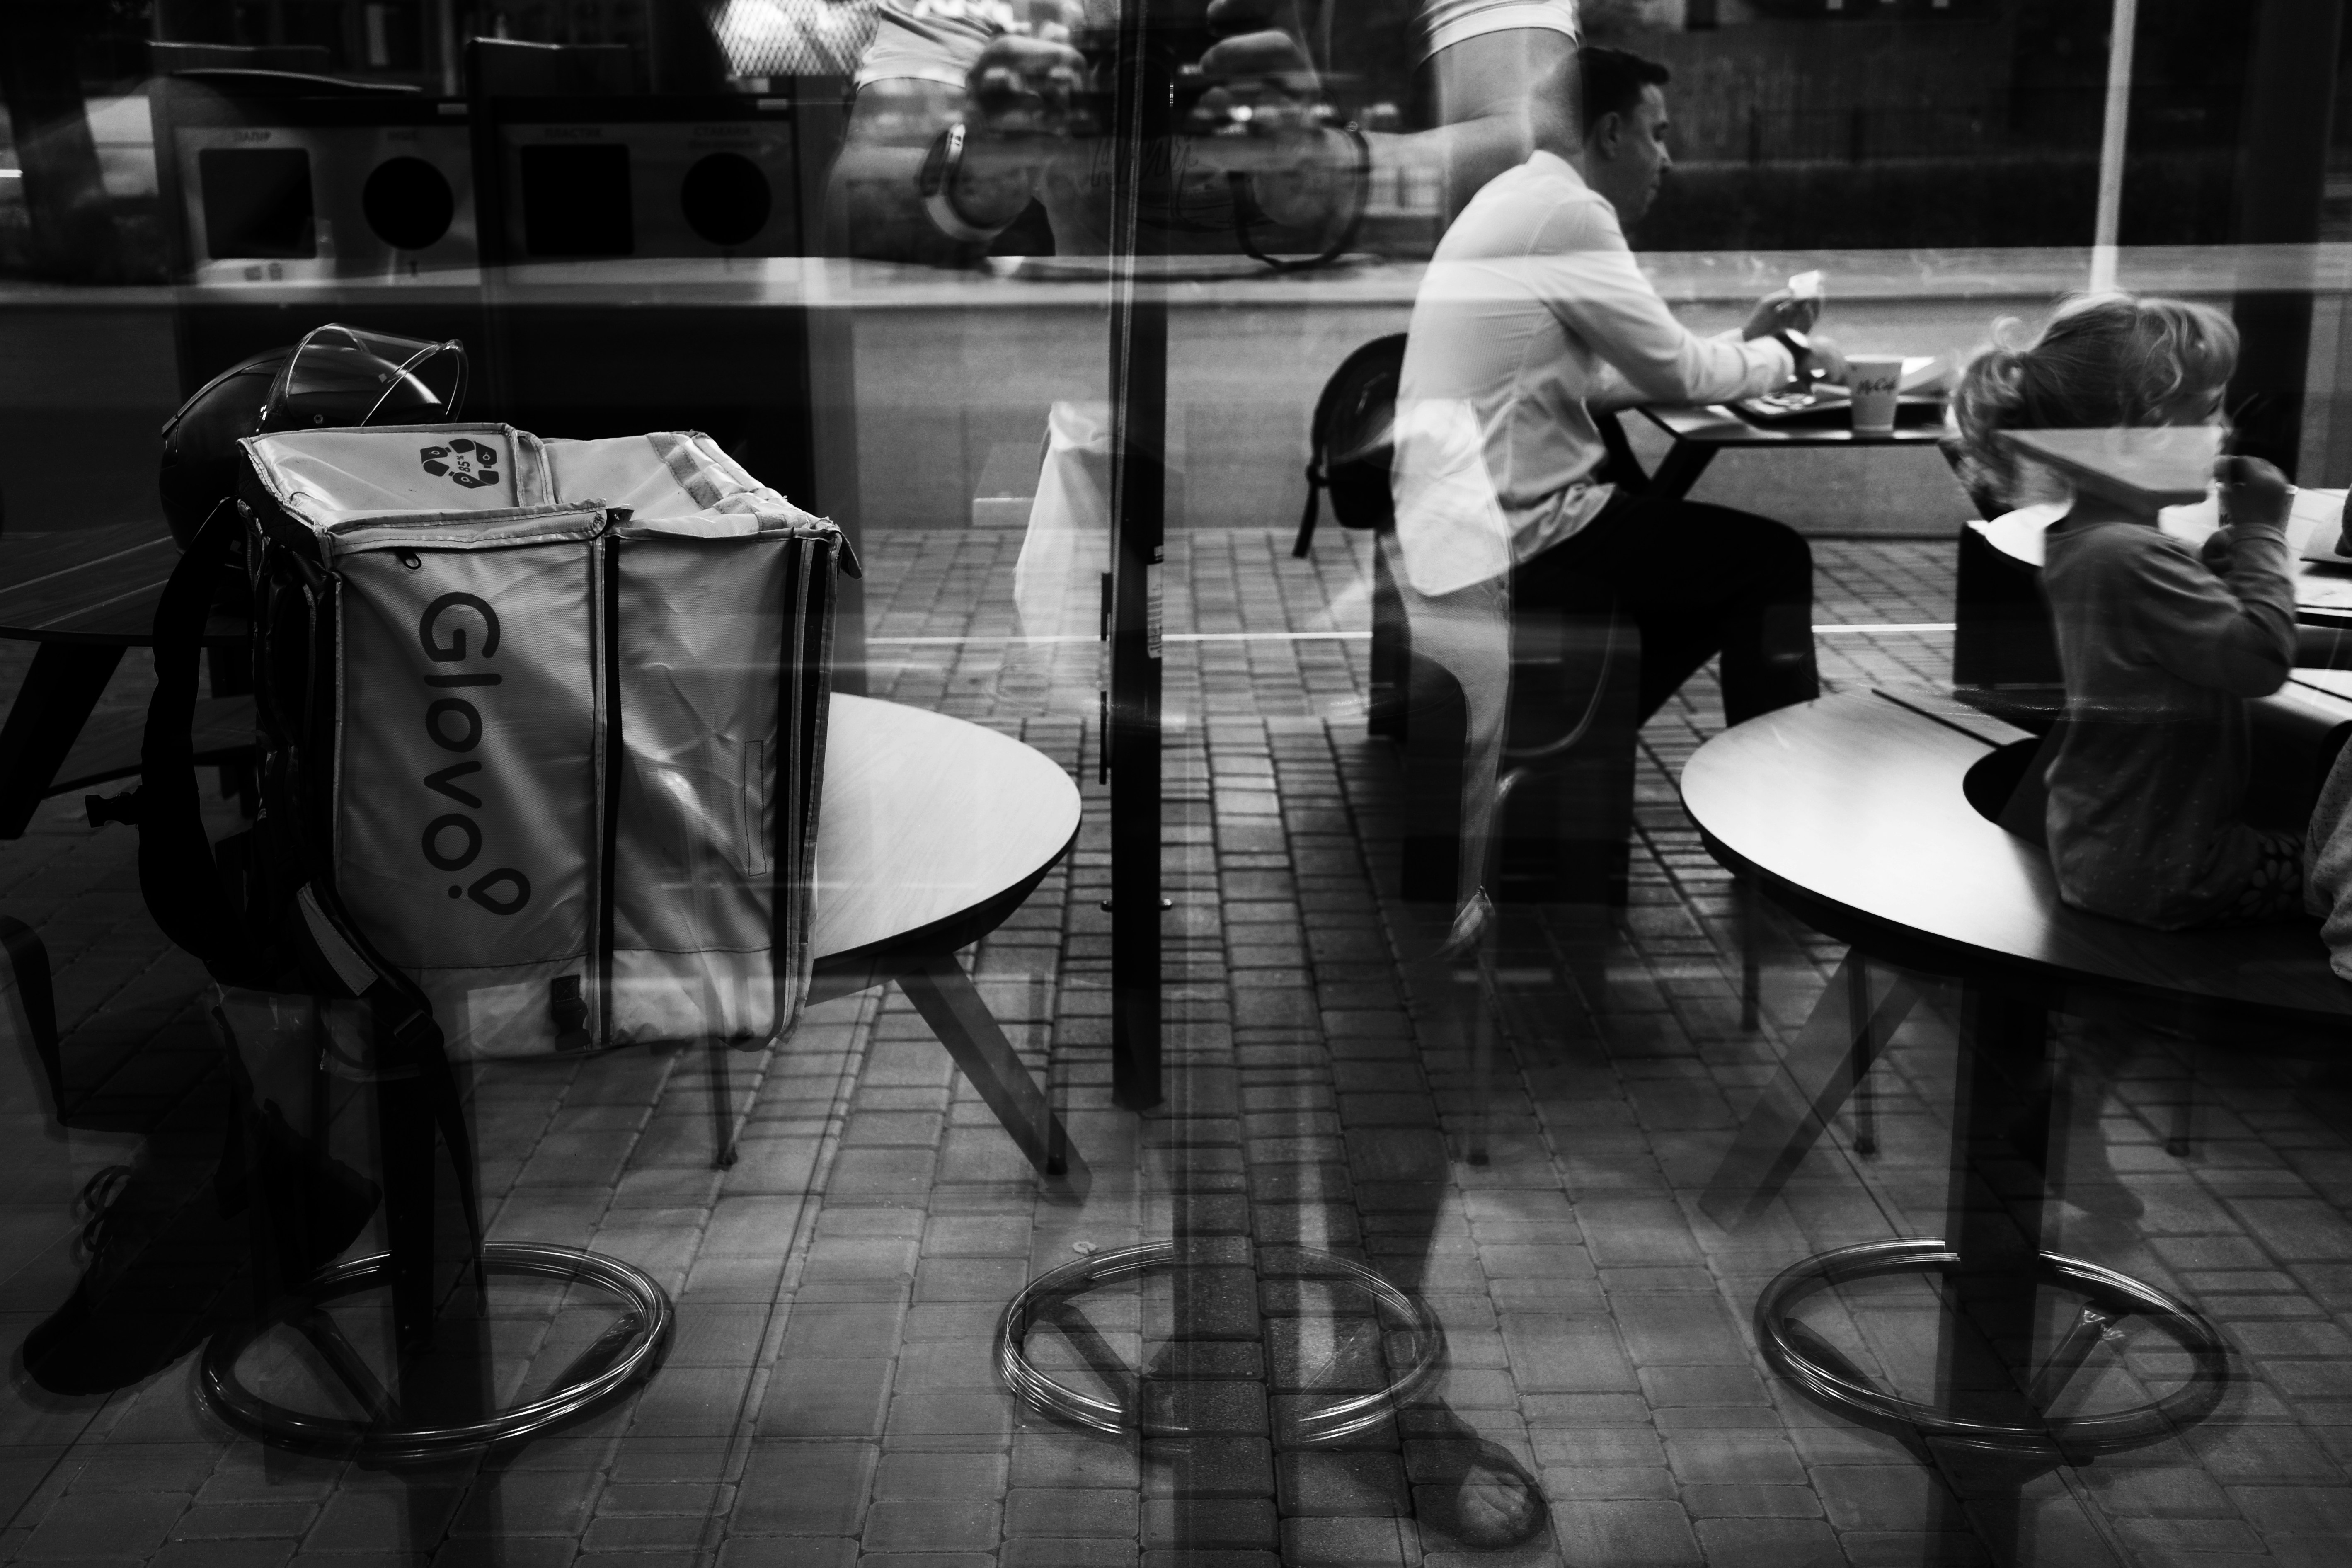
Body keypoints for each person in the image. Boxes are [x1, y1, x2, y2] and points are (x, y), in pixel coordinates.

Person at [1386, 44, 1837, 897]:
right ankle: (1779, 842)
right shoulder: (1570, 214)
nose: (1668, 157)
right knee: (1772, 562)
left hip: (1453, 521)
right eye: (1659, 134)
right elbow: (1679, 375)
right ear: (1611, 132)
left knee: (1679, 545)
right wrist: (1789, 355)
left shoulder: (1514, 200)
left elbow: (1596, 379)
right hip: (1515, 534)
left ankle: (1585, 728)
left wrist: (1745, 348)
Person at [1950, 293, 2304, 929]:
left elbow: (2169, 640)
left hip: (2108, 846)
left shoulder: (2089, 542)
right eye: (2206, 411)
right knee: (2330, 868)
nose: (2226, 430)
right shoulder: (2132, 556)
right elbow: (2260, 662)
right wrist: (2262, 537)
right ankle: (2252, 1021)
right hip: (2176, 869)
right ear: (2132, 438)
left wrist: (2215, 571)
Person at [821, 0, 1585, 262]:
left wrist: (1332, 171)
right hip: (1105, 415)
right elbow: (858, 197)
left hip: (1385, 399)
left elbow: (1551, 150)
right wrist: (983, 167)